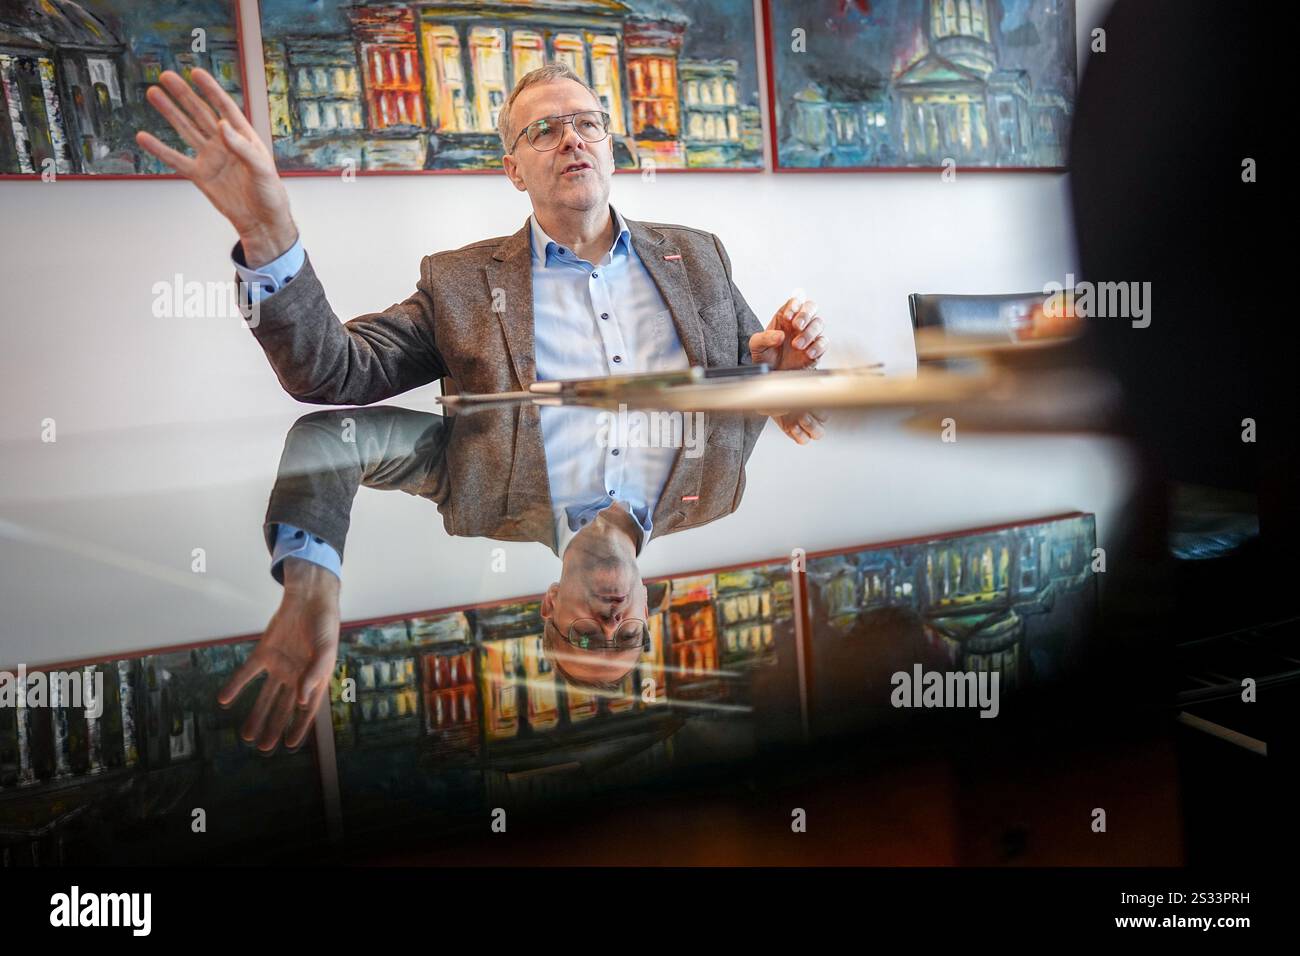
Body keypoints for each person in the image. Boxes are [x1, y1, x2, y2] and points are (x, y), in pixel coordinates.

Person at [139, 61, 830, 751]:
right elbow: (335, 375)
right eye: (545, 130)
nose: (611, 619)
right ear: (513, 169)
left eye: (588, 123)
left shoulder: (697, 256)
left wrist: (787, 369)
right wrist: (269, 233)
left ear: (552, 609)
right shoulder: (461, 283)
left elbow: (755, 369)